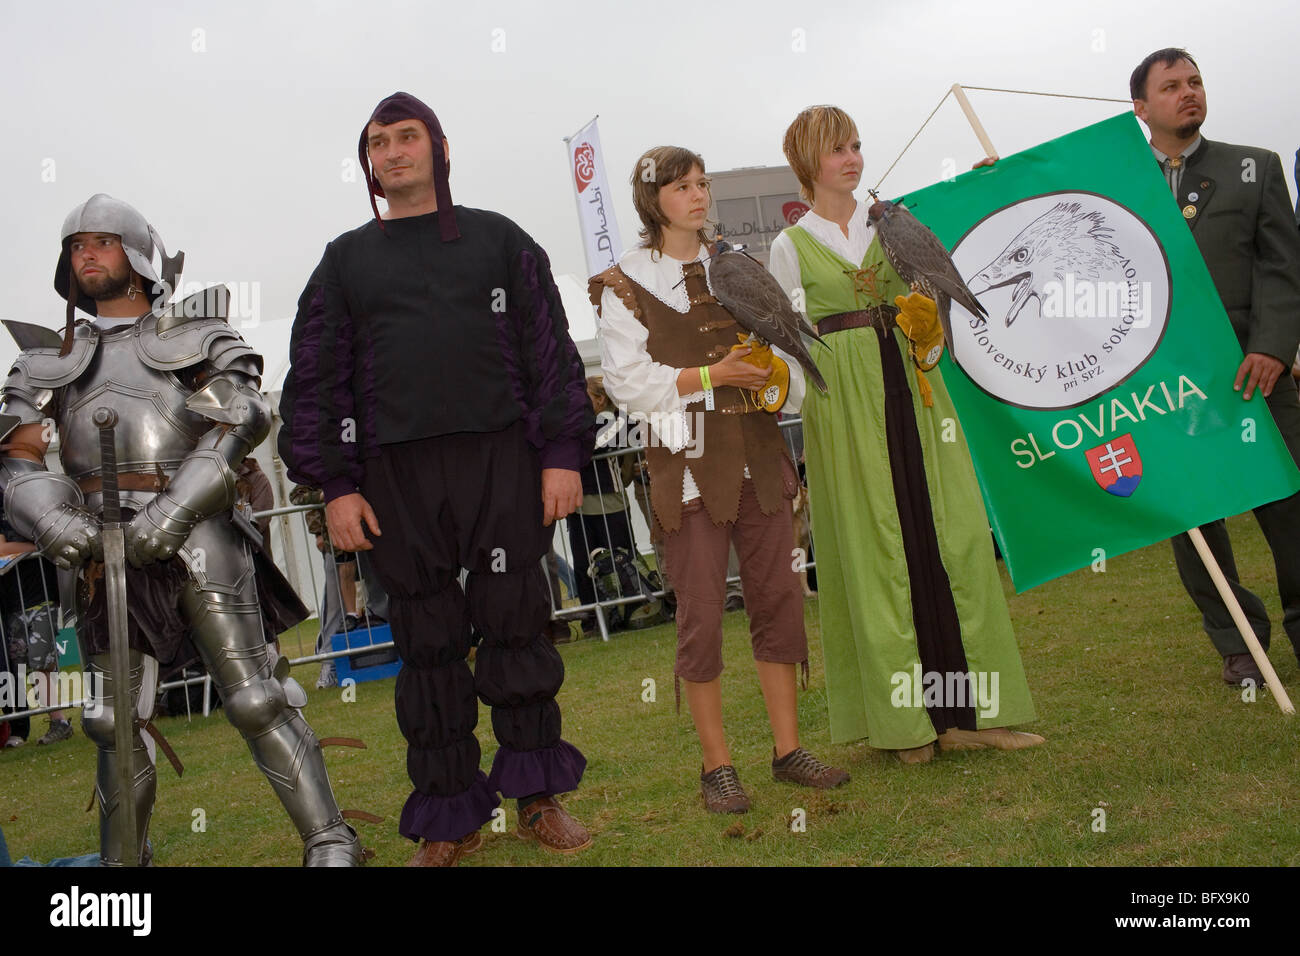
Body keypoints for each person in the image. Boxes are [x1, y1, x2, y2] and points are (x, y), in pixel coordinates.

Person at [279, 92, 595, 866]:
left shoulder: (501, 243)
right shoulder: (344, 261)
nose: (392, 153)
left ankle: (537, 797)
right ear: (370, 166)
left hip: (501, 462)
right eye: (377, 144)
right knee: (427, 645)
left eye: (406, 137)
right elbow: (318, 381)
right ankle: (450, 814)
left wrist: (560, 454)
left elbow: (551, 352)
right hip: (394, 476)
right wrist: (337, 485)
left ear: (440, 147)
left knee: (515, 624)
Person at [0, 194, 359, 866]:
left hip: (198, 534)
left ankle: (329, 838)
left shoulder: (193, 336)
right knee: (113, 723)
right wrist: (52, 519)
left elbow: (242, 419)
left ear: (137, 255)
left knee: (254, 698)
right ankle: (123, 871)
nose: (87, 254)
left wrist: (174, 508)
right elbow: (16, 458)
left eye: (102, 242)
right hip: (100, 549)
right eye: (77, 246)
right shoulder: (44, 361)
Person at [767, 107, 1043, 763]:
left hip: (915, 391)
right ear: (809, 162)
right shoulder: (789, 245)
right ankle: (906, 726)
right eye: (838, 149)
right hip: (846, 404)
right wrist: (822, 418)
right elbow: (785, 344)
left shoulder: (892, 219)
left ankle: (976, 714)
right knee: (877, 553)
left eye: (857, 145)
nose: (853, 158)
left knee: (954, 541)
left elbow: (940, 283)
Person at [593, 145, 848, 812]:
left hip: (760, 462)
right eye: (683, 186)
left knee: (779, 602)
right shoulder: (624, 283)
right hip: (685, 470)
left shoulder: (737, 266)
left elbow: (786, 379)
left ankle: (788, 751)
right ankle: (717, 767)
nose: (699, 195)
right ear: (655, 200)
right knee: (702, 618)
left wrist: (771, 381)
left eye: (703, 183)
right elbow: (627, 385)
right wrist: (712, 376)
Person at [1130, 49, 1300, 686]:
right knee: (1196, 519)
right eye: (1170, 87)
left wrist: (1275, 346)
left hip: (1255, 375)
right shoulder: (1116, 184)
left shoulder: (1255, 168)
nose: (1188, 93)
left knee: (1290, 506)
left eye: (1194, 81)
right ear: (1142, 109)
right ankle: (1239, 643)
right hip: (1164, 387)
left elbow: (1284, 266)